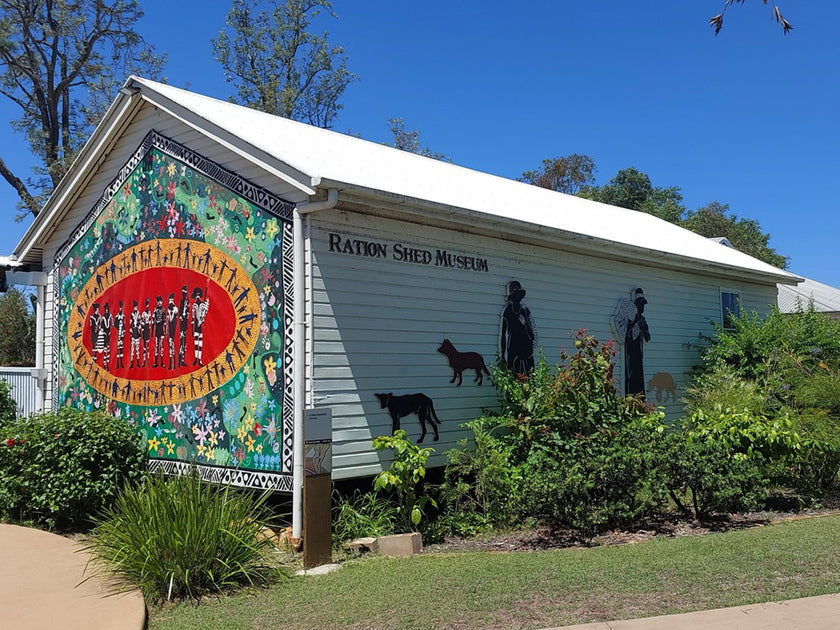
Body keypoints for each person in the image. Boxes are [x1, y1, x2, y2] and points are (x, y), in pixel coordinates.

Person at [612, 287, 651, 397]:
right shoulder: (630, 318)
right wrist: (634, 323)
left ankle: (640, 398)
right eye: (640, 304)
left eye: (643, 304)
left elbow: (648, 337)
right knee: (631, 375)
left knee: (639, 376)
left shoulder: (642, 319)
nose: (642, 307)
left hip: (639, 352)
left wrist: (643, 327)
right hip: (630, 351)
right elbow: (626, 334)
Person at [500, 280, 535, 374]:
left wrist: (524, 320)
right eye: (515, 296)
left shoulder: (525, 310)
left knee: (530, 375)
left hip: (527, 348)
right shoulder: (508, 310)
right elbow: (503, 334)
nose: (517, 298)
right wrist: (503, 355)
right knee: (513, 374)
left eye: (518, 296)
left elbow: (531, 332)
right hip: (514, 347)